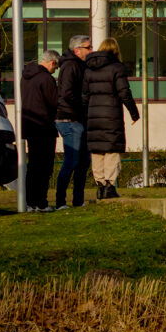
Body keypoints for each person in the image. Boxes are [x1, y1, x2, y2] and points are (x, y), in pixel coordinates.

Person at [82, 37, 139, 199]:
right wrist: (134, 113)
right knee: (112, 151)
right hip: (111, 115)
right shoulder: (117, 68)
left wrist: (85, 116)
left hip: (93, 116)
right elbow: (124, 93)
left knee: (97, 151)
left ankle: (100, 186)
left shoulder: (89, 69)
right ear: (116, 50)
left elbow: (84, 96)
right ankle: (109, 186)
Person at [54, 34, 92, 209]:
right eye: (88, 47)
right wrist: (84, 104)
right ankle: (61, 201)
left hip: (77, 118)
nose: (91, 50)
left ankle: (78, 200)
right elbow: (67, 94)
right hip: (70, 119)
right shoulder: (71, 66)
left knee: (83, 161)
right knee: (71, 161)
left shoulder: (79, 66)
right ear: (77, 50)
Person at [21, 49, 60, 212]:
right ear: (52, 63)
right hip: (44, 127)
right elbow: (54, 103)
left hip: (29, 126)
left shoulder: (25, 78)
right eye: (56, 66)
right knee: (45, 167)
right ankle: (41, 202)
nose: (56, 70)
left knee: (33, 166)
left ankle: (30, 202)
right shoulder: (47, 79)